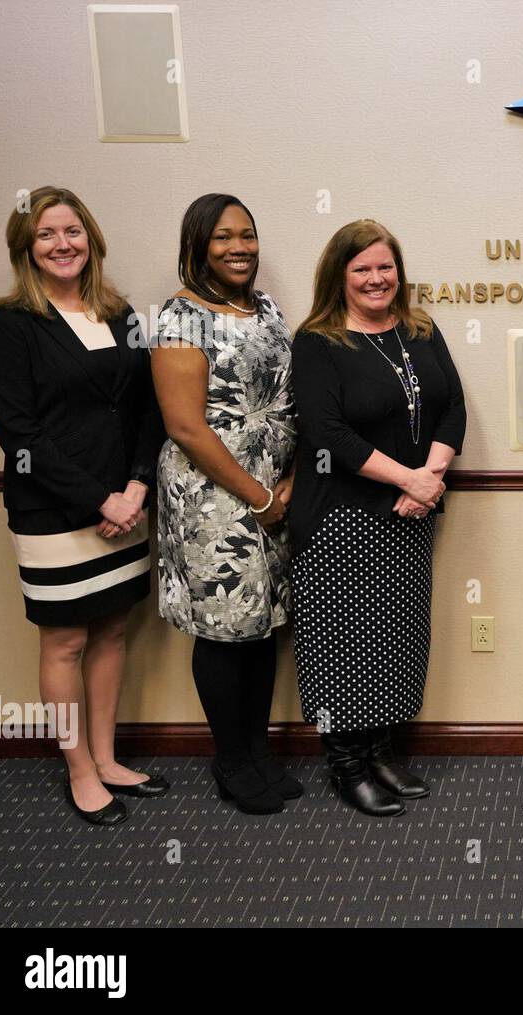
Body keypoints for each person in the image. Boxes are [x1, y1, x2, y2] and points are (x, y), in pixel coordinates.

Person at [0, 186, 167, 826]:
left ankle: (109, 759)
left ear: (92, 238)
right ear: (25, 248)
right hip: (53, 512)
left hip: (128, 506)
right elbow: (19, 436)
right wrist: (99, 498)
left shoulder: (121, 315)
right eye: (47, 235)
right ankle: (79, 769)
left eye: (73, 231)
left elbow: (147, 409)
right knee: (64, 642)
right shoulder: (7, 326)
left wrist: (137, 487)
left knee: (113, 628)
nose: (64, 245)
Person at [290, 220, 465, 818]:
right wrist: (408, 478)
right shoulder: (317, 342)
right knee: (344, 644)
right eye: (361, 268)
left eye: (384, 266)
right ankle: (347, 764)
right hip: (340, 519)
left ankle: (384, 752)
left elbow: (455, 407)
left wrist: (431, 479)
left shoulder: (420, 329)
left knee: (396, 639)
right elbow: (327, 432)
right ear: (339, 275)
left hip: (411, 514)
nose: (375, 278)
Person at [150, 194, 299, 815]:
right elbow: (186, 427)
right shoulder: (180, 319)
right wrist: (259, 494)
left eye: (247, 235)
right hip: (214, 498)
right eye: (222, 238)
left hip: (275, 492)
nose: (239, 247)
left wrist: (286, 484)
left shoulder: (266, 309)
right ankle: (232, 760)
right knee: (224, 630)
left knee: (262, 625)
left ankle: (258, 752)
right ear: (197, 246)